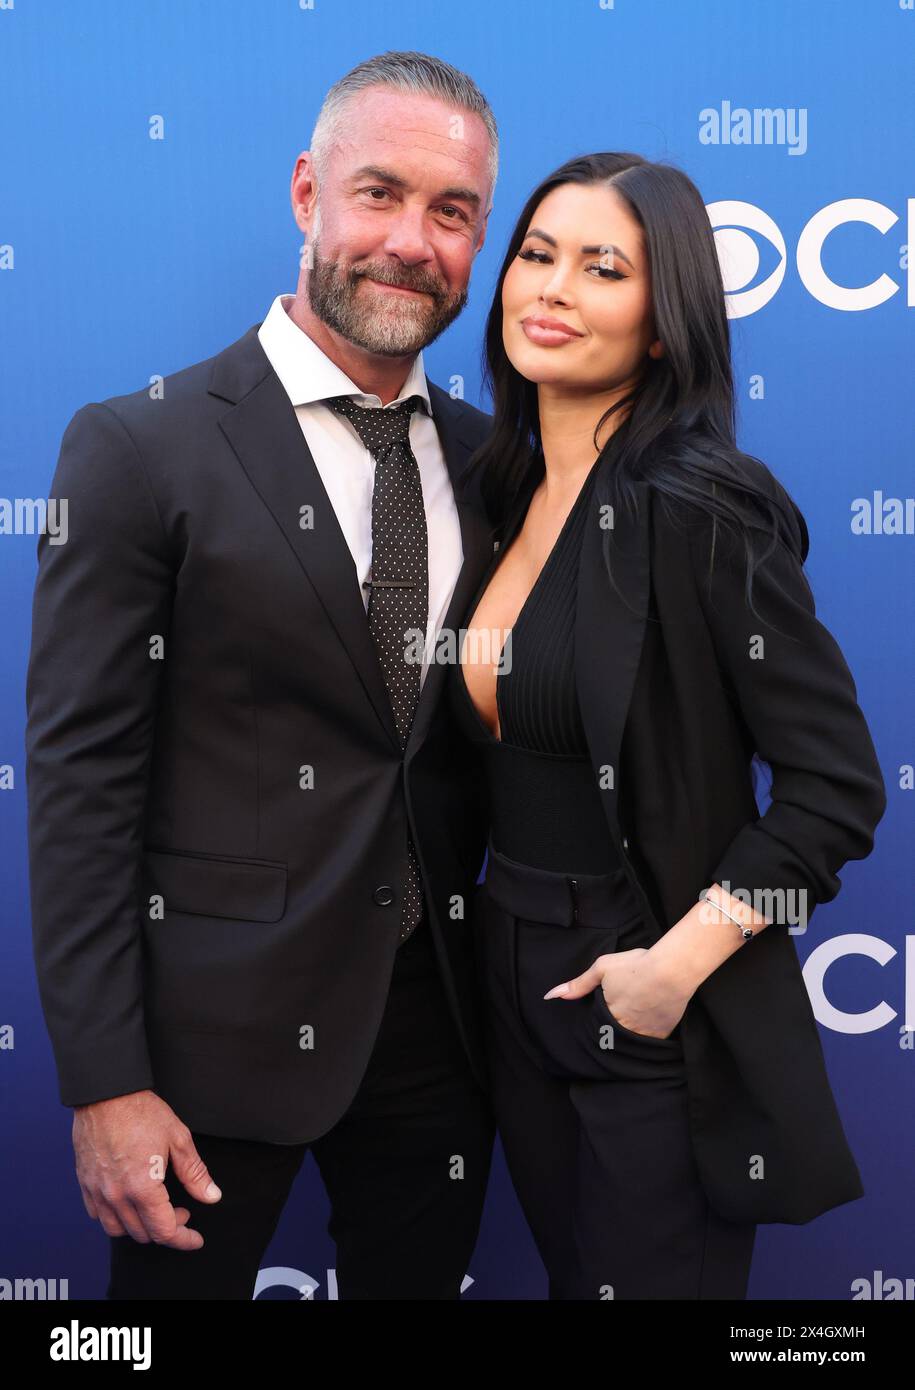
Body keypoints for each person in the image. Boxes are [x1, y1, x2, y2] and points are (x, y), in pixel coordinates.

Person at [25, 51, 501, 1301]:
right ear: (306, 194)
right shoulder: (139, 446)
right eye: (380, 193)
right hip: (202, 1048)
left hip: (441, 1035)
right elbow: (80, 788)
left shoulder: (499, 463)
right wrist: (104, 1083)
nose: (412, 241)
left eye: (452, 212)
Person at [450, 151, 887, 1300]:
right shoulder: (498, 488)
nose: (551, 289)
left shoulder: (704, 511)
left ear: (662, 323)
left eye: (603, 269)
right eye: (537, 255)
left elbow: (838, 788)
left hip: (645, 984)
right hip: (506, 964)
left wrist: (674, 966)